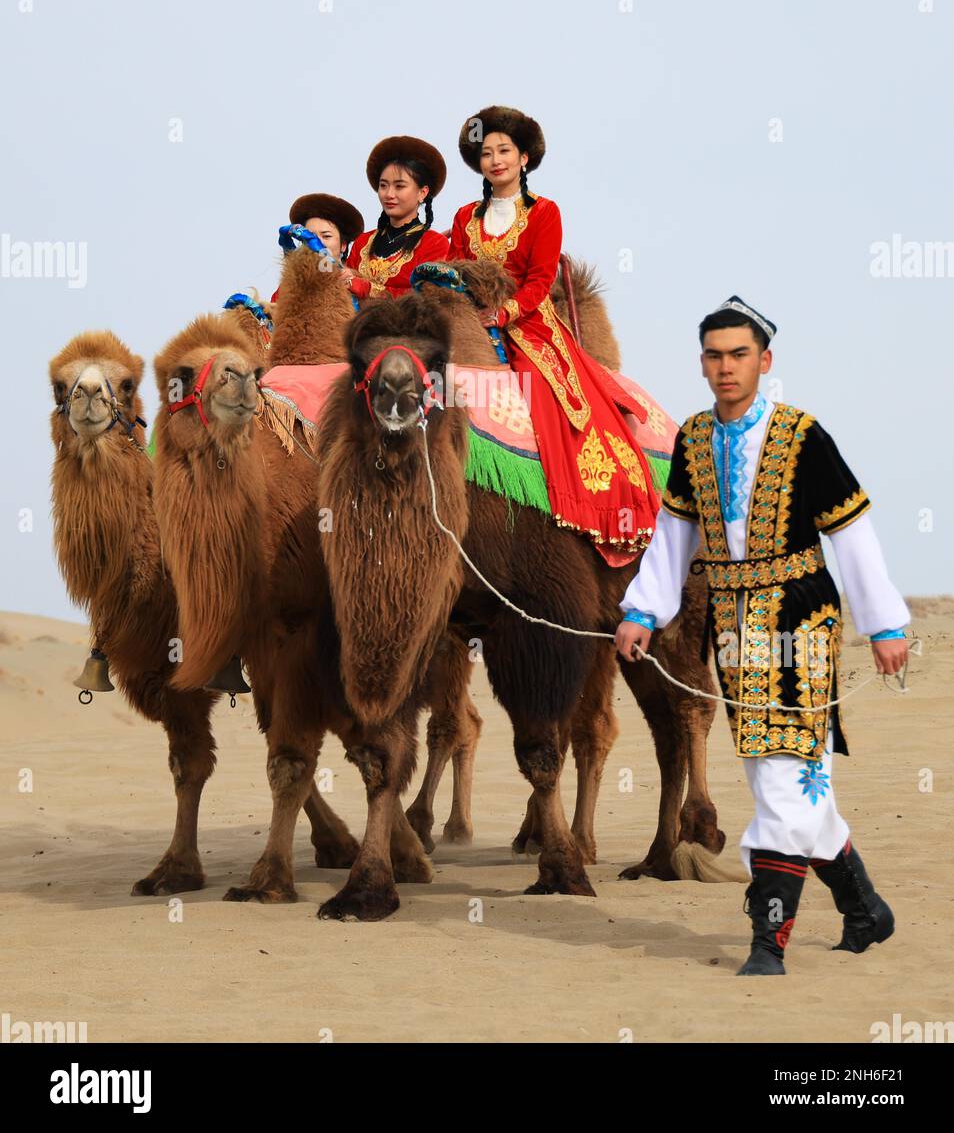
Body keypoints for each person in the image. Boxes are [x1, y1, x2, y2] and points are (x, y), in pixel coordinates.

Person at [614, 296, 909, 976]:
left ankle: (767, 939)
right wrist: (643, 610)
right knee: (792, 779)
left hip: (801, 615)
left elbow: (851, 531)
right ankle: (865, 910)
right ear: (702, 363)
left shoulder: (804, 435)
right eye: (714, 355)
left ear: (764, 362)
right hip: (730, 618)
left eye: (739, 354)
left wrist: (885, 621)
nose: (726, 367)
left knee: (782, 779)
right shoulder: (691, 439)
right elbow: (674, 536)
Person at [449, 104, 658, 564]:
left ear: (524, 158)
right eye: (487, 153)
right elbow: (454, 273)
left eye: (505, 150)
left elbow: (541, 283)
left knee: (557, 403)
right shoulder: (464, 217)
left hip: (531, 326)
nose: (496, 160)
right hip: (468, 320)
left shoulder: (545, 213)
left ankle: (596, 507)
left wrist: (501, 315)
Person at [344, 136, 449, 299]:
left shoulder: (434, 244)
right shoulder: (362, 242)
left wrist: (365, 287)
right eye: (383, 186)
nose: (389, 194)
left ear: (422, 193)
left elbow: (428, 298)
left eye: (399, 186)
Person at [270, 193, 364, 303]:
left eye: (326, 236)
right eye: (310, 237)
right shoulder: (289, 286)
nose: (317, 242)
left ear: (343, 245)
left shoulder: (359, 285)